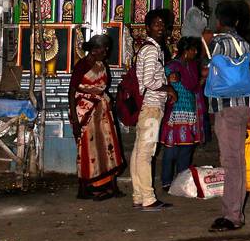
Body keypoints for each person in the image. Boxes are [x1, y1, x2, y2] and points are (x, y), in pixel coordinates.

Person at [206, 1, 250, 232]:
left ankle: (232, 216)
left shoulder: (217, 43)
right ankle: (234, 212)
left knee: (231, 162)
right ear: (237, 21)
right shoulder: (246, 45)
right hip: (243, 106)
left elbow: (208, 72)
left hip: (225, 106)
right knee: (236, 160)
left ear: (218, 21)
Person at [68, 33, 125, 201]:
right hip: (84, 112)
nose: (106, 52)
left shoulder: (102, 65)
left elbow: (101, 88)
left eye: (107, 48)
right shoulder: (82, 65)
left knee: (108, 147)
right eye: (103, 49)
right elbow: (71, 92)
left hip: (101, 112)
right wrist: (76, 122)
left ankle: (111, 186)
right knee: (87, 150)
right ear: (93, 50)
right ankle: (86, 188)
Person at [129, 11, 173, 210]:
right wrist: (168, 88)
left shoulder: (150, 49)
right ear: (147, 28)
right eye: (156, 24)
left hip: (147, 106)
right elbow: (148, 81)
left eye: (162, 24)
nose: (160, 27)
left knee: (139, 150)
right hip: (151, 107)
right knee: (146, 152)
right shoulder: (152, 50)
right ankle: (148, 198)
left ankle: (138, 195)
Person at [160, 37, 207, 190]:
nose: (196, 52)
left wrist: (203, 79)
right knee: (171, 150)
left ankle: (181, 181)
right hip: (175, 113)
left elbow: (194, 87)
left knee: (187, 149)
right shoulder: (172, 66)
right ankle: (167, 182)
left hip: (190, 112)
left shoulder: (192, 66)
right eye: (193, 50)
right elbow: (160, 82)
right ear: (185, 51)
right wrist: (169, 80)